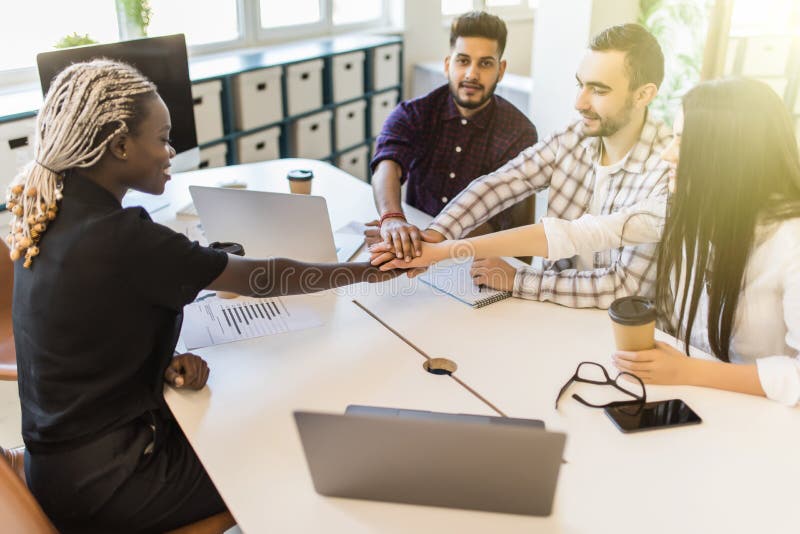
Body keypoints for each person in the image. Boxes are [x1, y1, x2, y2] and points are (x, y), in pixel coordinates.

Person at [7, 59, 398, 533]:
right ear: (120, 145)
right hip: (111, 484)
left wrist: (158, 361)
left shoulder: (51, 208)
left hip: (63, 467)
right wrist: (365, 271)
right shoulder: (122, 240)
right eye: (162, 137)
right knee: (292, 446)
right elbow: (264, 278)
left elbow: (89, 330)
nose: (171, 151)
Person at [373, 23, 672, 309]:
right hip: (554, 307)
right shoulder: (575, 135)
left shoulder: (668, 170)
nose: (579, 103)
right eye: (580, 84)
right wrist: (434, 236)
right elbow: (502, 183)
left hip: (618, 330)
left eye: (599, 90)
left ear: (643, 94)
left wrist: (520, 279)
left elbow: (624, 287)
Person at [611, 78, 800, 405]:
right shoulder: (699, 210)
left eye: (684, 142)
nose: (667, 155)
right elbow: (597, 230)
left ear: (727, 154)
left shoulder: (790, 238)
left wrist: (689, 371)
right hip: (700, 401)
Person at [365, 10, 538, 259]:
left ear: (500, 70)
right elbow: (386, 163)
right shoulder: (415, 113)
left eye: (485, 63)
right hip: (414, 251)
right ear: (448, 65)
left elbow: (502, 223)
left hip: (478, 258)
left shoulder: (519, 133)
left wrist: (426, 240)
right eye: (463, 60)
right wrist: (392, 219)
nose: (471, 74)